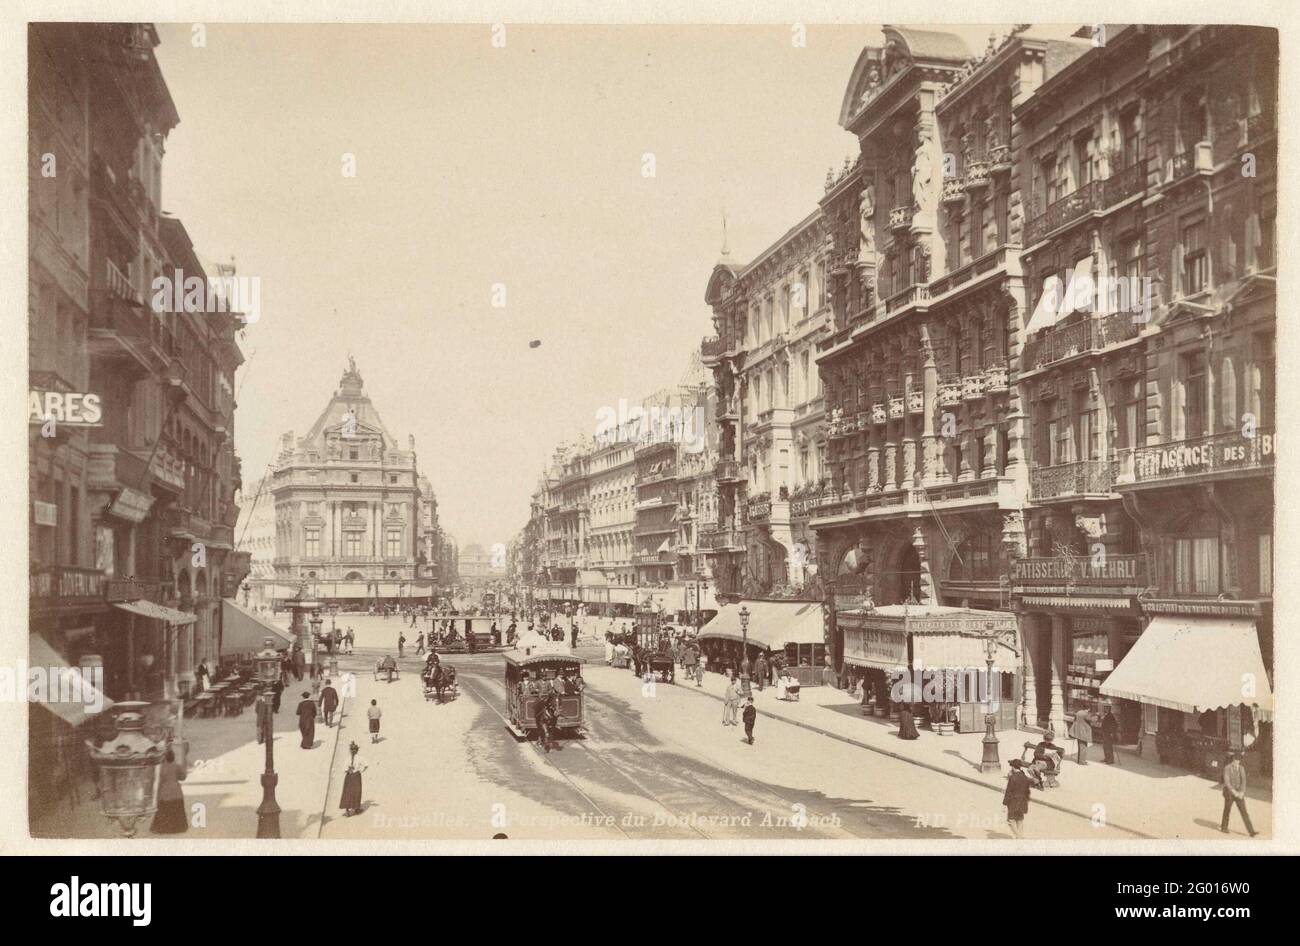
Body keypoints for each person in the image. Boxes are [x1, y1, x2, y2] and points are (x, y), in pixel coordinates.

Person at [150, 749, 188, 834]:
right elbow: (183, 777)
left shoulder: (160, 767)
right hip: (176, 792)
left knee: (164, 810)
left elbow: (157, 780)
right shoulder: (177, 766)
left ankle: (163, 828)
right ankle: (178, 828)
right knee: (176, 809)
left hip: (164, 792)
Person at [1221, 752, 1257, 836]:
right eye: (1235, 760)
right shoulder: (1227, 768)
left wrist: (1242, 792)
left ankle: (1251, 831)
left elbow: (1243, 781)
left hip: (1239, 792)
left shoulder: (1241, 768)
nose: (1237, 762)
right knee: (1227, 809)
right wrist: (1234, 792)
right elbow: (1227, 782)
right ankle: (1224, 827)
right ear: (1232, 760)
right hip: (1229, 792)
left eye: (1238, 760)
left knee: (1244, 811)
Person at [1003, 759, 1033, 838]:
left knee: (1011, 820)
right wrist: (1026, 801)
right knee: (1020, 819)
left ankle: (1018, 836)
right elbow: (1028, 792)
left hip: (1013, 801)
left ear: (1013, 767)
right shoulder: (1025, 777)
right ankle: (1020, 836)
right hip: (1023, 801)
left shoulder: (1013, 778)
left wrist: (1005, 804)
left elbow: (1008, 791)